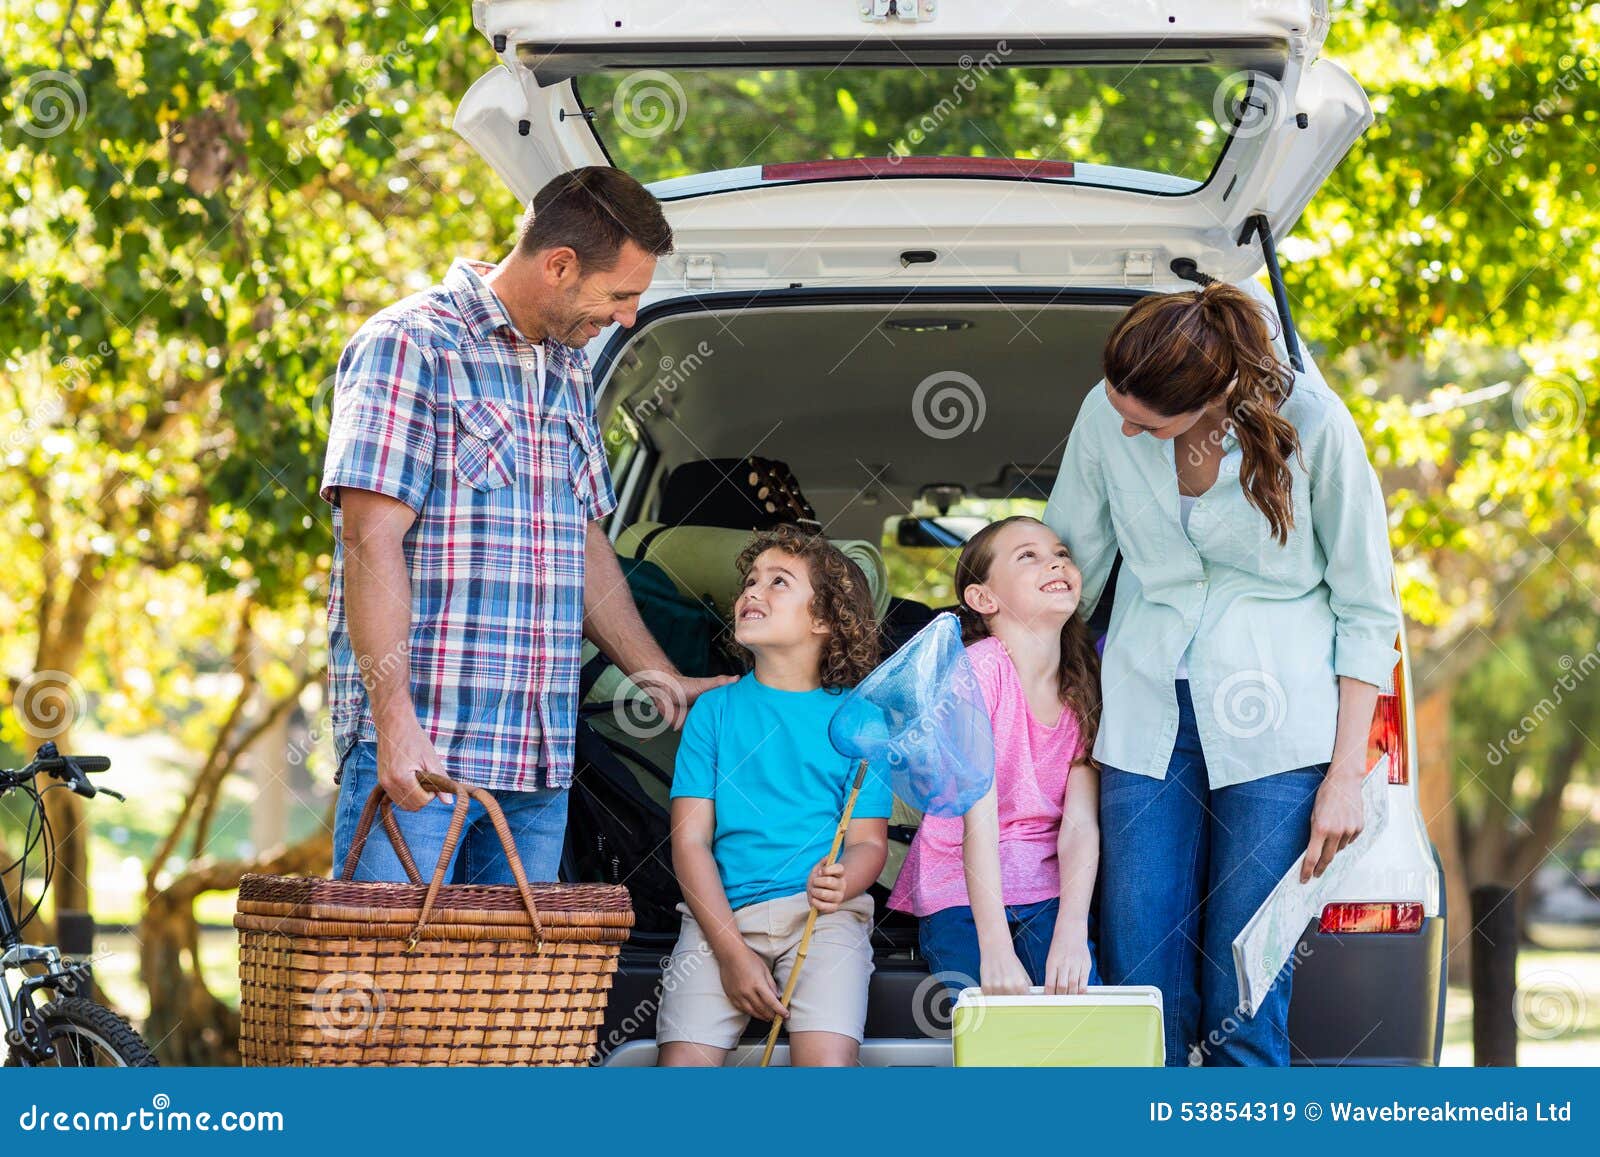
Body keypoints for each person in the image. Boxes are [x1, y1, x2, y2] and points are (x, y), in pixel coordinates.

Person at [321, 166, 732, 885]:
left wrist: (654, 671)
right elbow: (369, 540)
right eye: (622, 295)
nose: (629, 317)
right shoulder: (411, 344)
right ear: (560, 265)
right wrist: (394, 723)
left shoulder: (568, 366)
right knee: (394, 991)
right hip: (429, 756)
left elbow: (583, 539)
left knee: (513, 997)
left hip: (535, 763)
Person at [1044, 281, 1401, 1066]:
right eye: (1118, 406)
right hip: (1142, 723)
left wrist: (1347, 773)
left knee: (1243, 996)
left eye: (1149, 421)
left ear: (1215, 396)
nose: (1126, 427)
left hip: (1282, 735)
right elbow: (1068, 567)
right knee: (1139, 990)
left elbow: (1369, 611)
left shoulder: (1315, 423)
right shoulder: (1107, 414)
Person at [656, 525, 890, 1067]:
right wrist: (733, 955)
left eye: (778, 582)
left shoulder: (861, 721)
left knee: (826, 1067)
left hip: (824, 919)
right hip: (719, 920)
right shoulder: (713, 713)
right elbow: (690, 843)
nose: (751, 593)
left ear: (823, 620)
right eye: (750, 581)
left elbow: (869, 844)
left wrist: (844, 881)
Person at [888, 516, 1101, 997]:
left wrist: (1072, 932)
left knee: (1084, 1019)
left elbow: (1081, 824)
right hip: (960, 895)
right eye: (1028, 555)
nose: (1056, 561)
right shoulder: (976, 673)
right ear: (984, 599)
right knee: (1001, 1030)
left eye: (1062, 553)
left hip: (1046, 893)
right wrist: (997, 948)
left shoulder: (1084, 684)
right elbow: (976, 823)